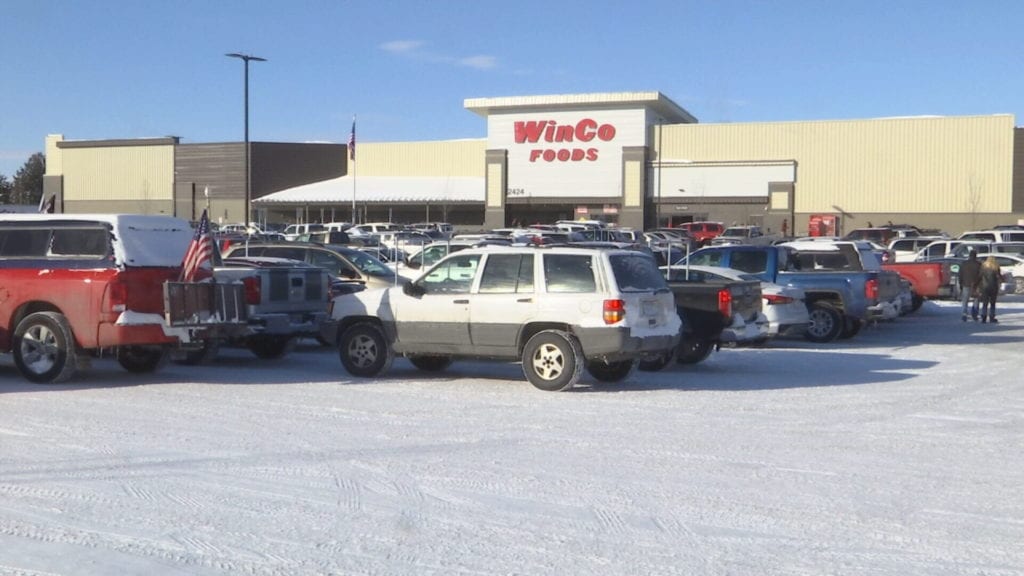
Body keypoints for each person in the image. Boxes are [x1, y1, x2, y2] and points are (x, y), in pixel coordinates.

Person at [977, 255, 1002, 323]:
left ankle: (984, 317)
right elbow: (999, 276)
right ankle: (992, 317)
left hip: (985, 287)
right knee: (992, 303)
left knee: (985, 303)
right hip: (994, 287)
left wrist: (977, 284)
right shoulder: (996, 267)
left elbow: (979, 276)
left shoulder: (983, 267)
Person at [959, 249, 981, 321]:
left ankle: (964, 314)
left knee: (965, 300)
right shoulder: (979, 264)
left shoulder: (964, 264)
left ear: (969, 256)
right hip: (976, 284)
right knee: (976, 300)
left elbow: (960, 275)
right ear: (975, 256)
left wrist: (960, 283)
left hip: (966, 284)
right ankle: (974, 314)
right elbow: (980, 275)